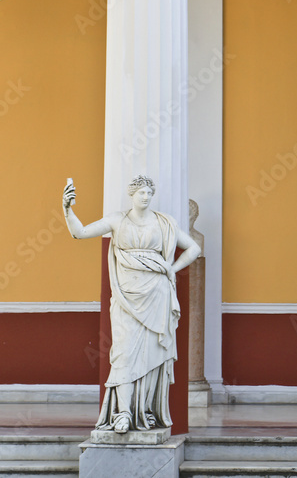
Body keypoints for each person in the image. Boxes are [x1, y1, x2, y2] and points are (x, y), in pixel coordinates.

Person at [63, 175, 201, 434]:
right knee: (124, 353)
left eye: (149, 193)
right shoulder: (117, 220)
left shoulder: (165, 223)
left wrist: (172, 269)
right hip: (126, 297)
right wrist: (68, 209)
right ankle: (124, 412)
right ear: (132, 195)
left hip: (157, 295)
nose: (146, 197)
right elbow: (80, 233)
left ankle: (144, 410)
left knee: (151, 354)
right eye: (141, 193)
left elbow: (194, 248)